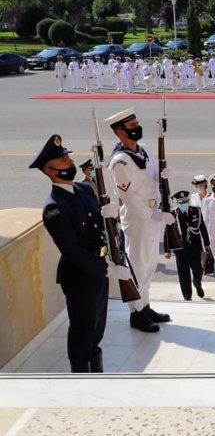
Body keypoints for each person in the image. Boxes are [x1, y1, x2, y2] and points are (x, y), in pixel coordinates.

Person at [31, 134, 123, 372]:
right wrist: (105, 268)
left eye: (68, 157)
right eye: (62, 161)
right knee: (83, 329)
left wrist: (112, 218)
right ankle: (81, 376)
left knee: (97, 326)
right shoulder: (53, 208)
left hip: (99, 269)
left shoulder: (84, 189)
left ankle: (97, 371)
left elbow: (100, 228)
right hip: (80, 276)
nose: (69, 162)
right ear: (49, 171)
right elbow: (72, 251)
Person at [105, 107, 175, 333]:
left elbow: (152, 174)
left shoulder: (143, 149)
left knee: (149, 265)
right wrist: (154, 215)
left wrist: (164, 175)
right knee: (137, 266)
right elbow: (130, 198)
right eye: (132, 126)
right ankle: (136, 312)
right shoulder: (120, 162)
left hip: (153, 218)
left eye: (137, 123)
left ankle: (145, 305)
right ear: (120, 132)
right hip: (137, 220)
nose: (138, 127)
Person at [172, 190, 209, 301]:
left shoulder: (196, 210)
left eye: (185, 201)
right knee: (183, 275)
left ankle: (197, 284)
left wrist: (207, 243)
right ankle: (187, 297)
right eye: (181, 201)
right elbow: (168, 231)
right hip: (180, 249)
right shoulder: (174, 214)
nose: (183, 203)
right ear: (178, 202)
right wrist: (167, 250)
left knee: (198, 270)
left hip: (195, 248)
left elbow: (202, 227)